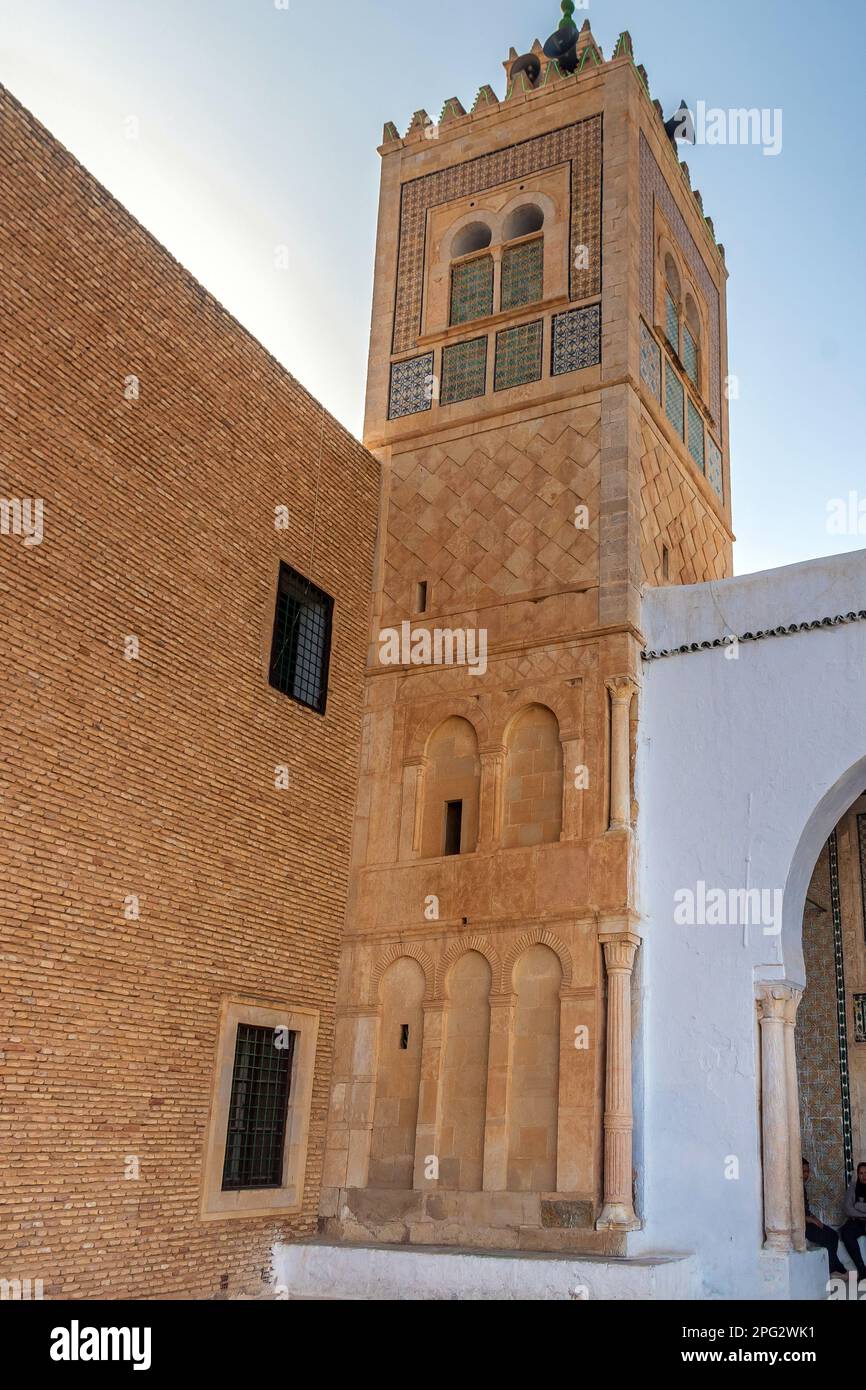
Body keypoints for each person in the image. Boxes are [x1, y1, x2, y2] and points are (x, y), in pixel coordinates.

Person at [802, 1159, 847, 1278]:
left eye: (807, 1171)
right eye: (803, 1171)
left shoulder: (802, 1188)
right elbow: (793, 1214)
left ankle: (835, 1269)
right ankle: (837, 1270)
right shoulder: (795, 1189)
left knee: (833, 1235)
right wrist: (809, 1219)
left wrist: (814, 1218)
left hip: (808, 1222)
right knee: (828, 1239)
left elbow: (804, 1209)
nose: (806, 1174)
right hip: (801, 1227)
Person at [839, 1161, 866, 1284]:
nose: (863, 1176)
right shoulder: (853, 1187)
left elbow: (855, 1206)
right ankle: (862, 1269)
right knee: (846, 1233)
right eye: (861, 1173)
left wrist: (858, 1205)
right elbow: (848, 1209)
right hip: (857, 1222)